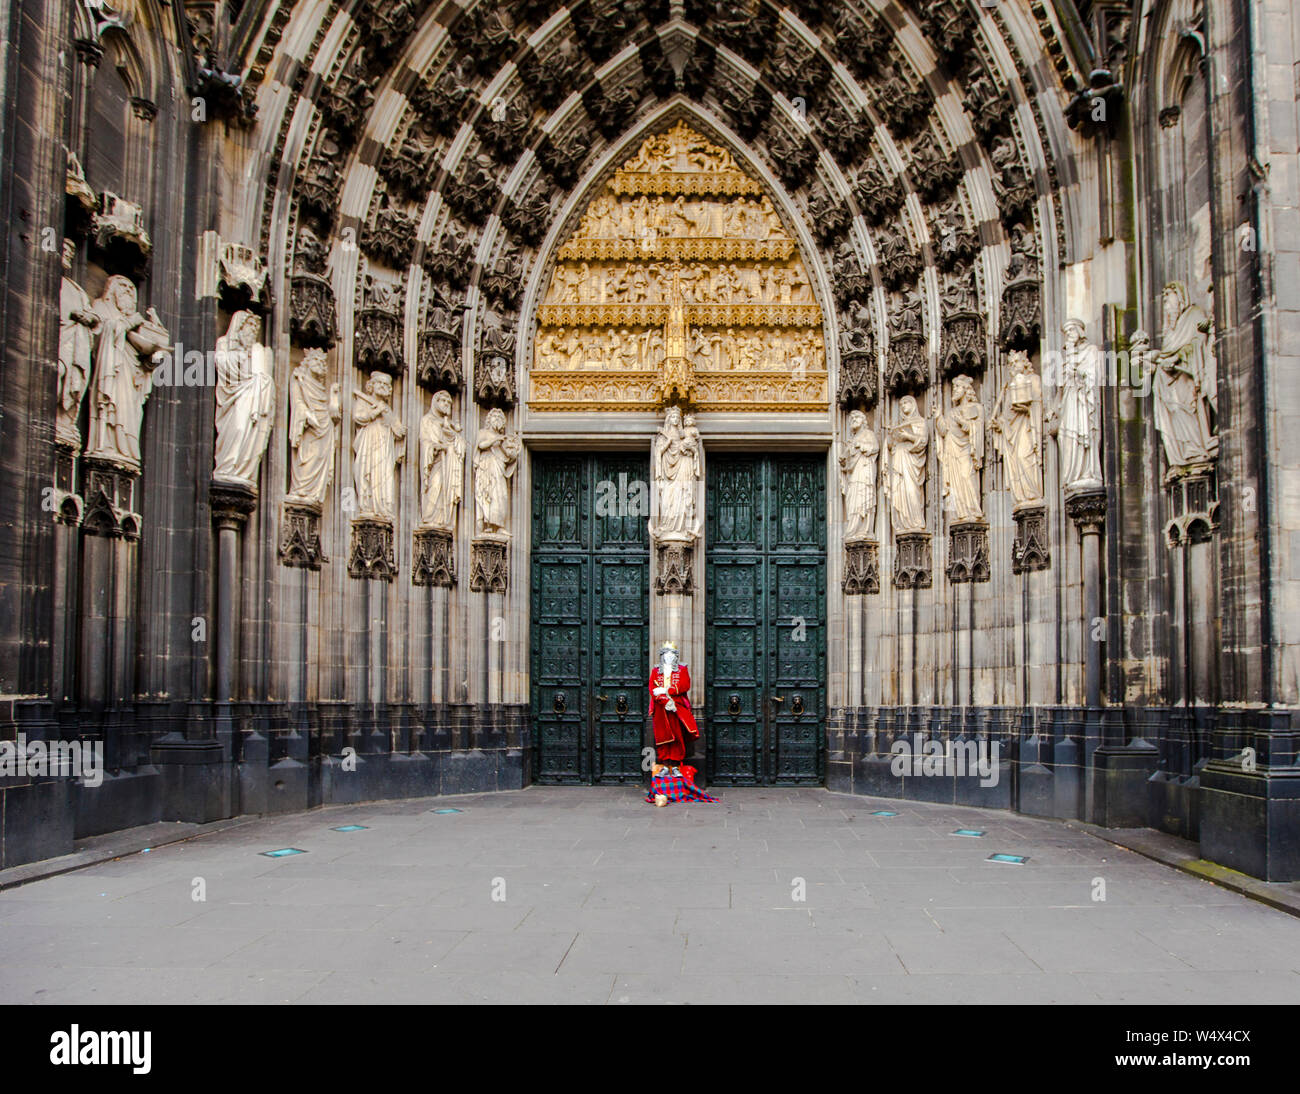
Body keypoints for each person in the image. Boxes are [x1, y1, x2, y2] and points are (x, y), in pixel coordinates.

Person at [649, 642, 698, 766]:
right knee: (662, 736)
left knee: (677, 735)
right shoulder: (655, 670)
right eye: (666, 654)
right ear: (662, 655)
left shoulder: (682, 669)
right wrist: (664, 699)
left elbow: (684, 685)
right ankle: (664, 762)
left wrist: (666, 691)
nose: (669, 656)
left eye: (672, 654)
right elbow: (652, 689)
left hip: (676, 707)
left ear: (676, 656)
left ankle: (676, 762)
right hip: (660, 707)